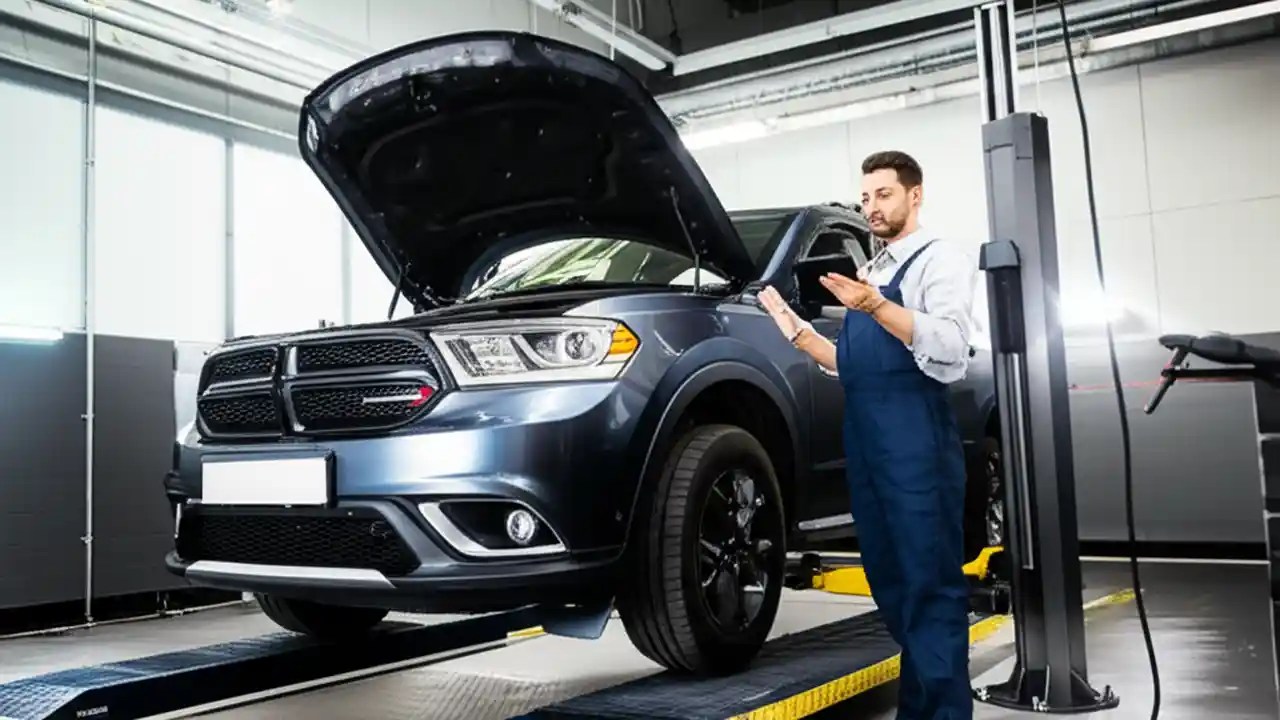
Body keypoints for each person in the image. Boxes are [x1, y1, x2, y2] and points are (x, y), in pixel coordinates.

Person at [759, 150, 978, 719]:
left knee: (930, 585)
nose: (871, 207)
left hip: (915, 439)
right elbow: (857, 362)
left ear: (914, 194)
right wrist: (799, 335)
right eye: (865, 198)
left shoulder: (938, 260)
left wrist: (875, 305)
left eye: (883, 194)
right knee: (894, 586)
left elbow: (952, 347)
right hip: (867, 441)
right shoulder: (872, 272)